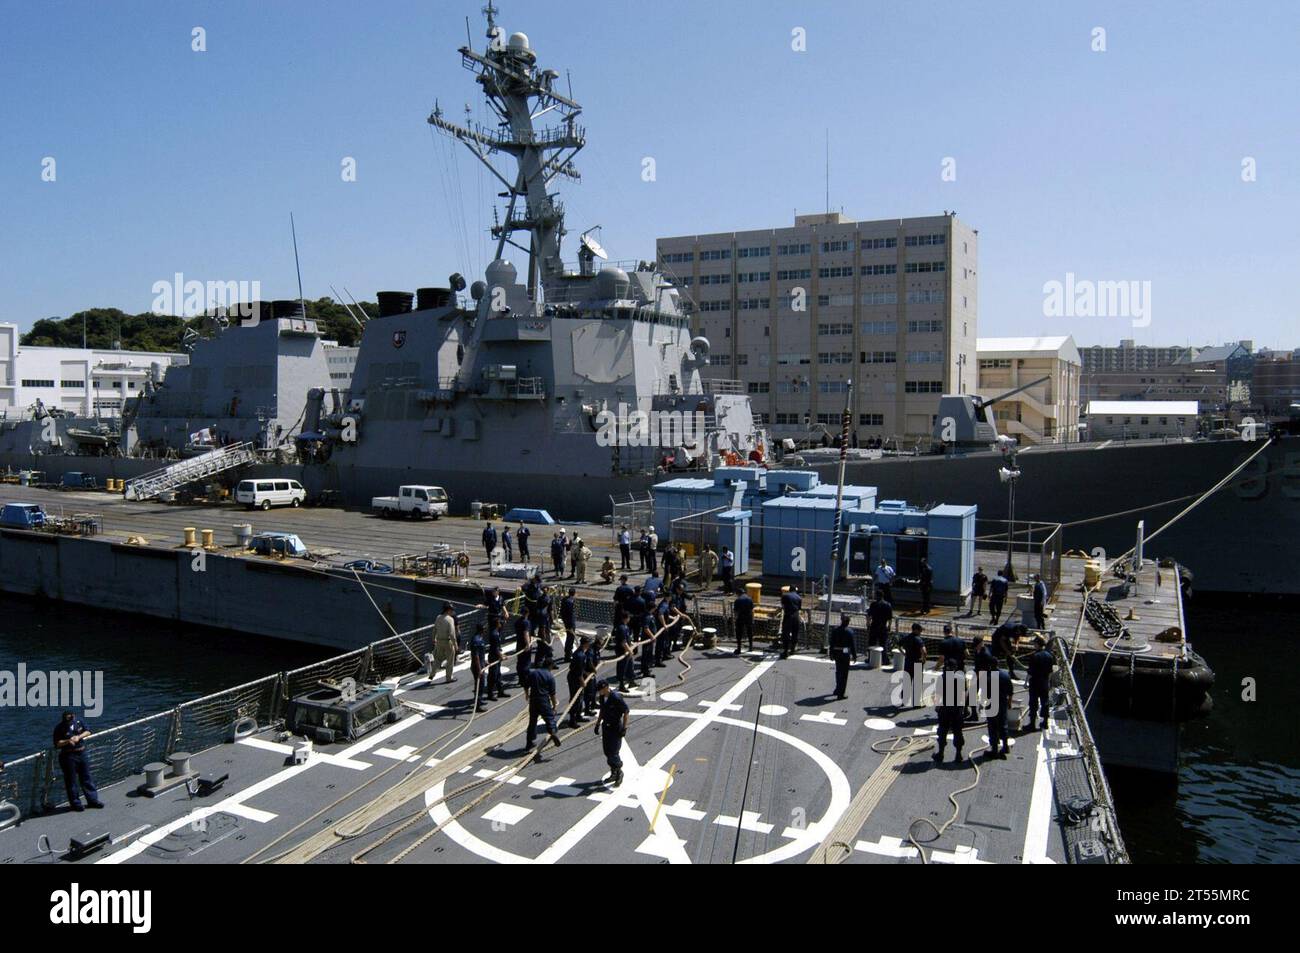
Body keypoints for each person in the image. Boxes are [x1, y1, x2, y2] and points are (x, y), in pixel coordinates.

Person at [53, 710, 103, 811]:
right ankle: (76, 803)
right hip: (68, 755)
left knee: (86, 778)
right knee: (71, 781)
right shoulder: (59, 728)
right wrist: (68, 741)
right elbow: (57, 743)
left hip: (81, 752)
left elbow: (88, 731)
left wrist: (78, 737)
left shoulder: (79, 722)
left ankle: (93, 800)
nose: (70, 719)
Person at [524, 656, 563, 759]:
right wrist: (554, 706)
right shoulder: (550, 677)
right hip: (544, 700)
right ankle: (552, 732)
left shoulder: (534, 673)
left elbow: (526, 684)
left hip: (533, 700)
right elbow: (552, 694)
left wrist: (527, 694)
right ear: (550, 666)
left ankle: (529, 743)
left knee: (532, 721)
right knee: (549, 719)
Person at [594, 679, 630, 787]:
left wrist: (624, 727)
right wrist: (597, 724)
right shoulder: (602, 697)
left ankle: (619, 772)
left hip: (615, 727)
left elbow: (626, 711)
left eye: (600, 690)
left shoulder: (616, 697)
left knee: (614, 753)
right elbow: (602, 710)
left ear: (606, 688)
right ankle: (613, 772)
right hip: (606, 727)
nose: (599, 692)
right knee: (607, 751)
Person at [933, 654, 966, 764]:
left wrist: (937, 707)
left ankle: (941, 753)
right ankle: (958, 754)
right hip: (957, 709)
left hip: (945, 708)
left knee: (942, 731)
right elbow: (963, 695)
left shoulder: (942, 678)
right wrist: (963, 708)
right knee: (958, 731)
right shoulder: (961, 678)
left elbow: (938, 695)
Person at [564, 636, 594, 728]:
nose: (590, 644)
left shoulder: (581, 652)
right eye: (588, 643)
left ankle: (578, 715)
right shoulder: (580, 655)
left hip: (576, 676)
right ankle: (572, 721)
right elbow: (578, 671)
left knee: (580, 698)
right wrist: (582, 681)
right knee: (575, 699)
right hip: (575, 679)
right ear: (585, 644)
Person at [1026, 636, 1054, 731]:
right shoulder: (1050, 656)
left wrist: (1026, 683)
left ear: (1038, 644)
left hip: (1035, 683)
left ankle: (1032, 724)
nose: (1034, 645)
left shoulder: (1034, 656)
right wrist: (1049, 683)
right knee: (1045, 702)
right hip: (1044, 682)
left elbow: (1030, 672)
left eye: (1034, 643)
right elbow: (1050, 672)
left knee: (1033, 703)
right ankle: (1045, 722)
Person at [985, 666, 1013, 759]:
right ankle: (1005, 746)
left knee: (993, 726)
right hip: (1003, 703)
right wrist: (1009, 703)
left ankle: (994, 750)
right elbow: (1011, 691)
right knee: (1003, 725)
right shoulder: (1005, 675)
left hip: (992, 704)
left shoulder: (989, 677)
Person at [828, 613, 857, 700]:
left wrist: (831, 653)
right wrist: (854, 656)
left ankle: (837, 688)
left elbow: (831, 643)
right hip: (845, 653)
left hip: (836, 652)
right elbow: (852, 645)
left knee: (838, 671)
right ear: (848, 622)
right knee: (844, 674)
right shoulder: (850, 632)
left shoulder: (835, 630)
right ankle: (841, 693)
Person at [899, 623, 927, 709]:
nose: (921, 632)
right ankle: (916, 703)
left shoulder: (906, 637)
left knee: (907, 681)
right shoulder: (918, 640)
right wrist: (923, 659)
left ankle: (904, 699)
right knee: (917, 683)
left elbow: (898, 645)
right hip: (917, 662)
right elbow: (924, 651)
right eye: (920, 630)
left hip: (908, 662)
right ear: (916, 630)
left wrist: (904, 654)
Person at [432, 602, 458, 684]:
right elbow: (452, 634)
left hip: (439, 641)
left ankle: (432, 674)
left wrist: (433, 638)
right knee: (450, 660)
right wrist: (455, 645)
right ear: (449, 610)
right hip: (447, 642)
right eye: (452, 610)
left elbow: (434, 629)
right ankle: (449, 678)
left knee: (438, 658)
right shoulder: (450, 619)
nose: (452, 611)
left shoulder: (438, 617)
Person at [611, 610, 636, 691]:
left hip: (627, 650)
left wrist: (631, 644)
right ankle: (621, 685)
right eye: (629, 618)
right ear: (626, 618)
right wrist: (629, 651)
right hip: (622, 651)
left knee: (630, 666)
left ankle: (631, 681)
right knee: (622, 668)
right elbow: (623, 642)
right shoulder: (622, 628)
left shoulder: (625, 627)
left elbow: (627, 639)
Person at [487, 618, 509, 700]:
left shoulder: (496, 633)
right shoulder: (494, 634)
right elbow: (495, 648)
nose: (501, 623)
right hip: (494, 657)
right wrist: (501, 656)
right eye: (499, 622)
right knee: (493, 676)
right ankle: (490, 694)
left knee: (498, 675)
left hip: (496, 655)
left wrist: (502, 655)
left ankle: (500, 691)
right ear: (496, 624)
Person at [866, 591, 893, 657]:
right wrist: (889, 626)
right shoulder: (888, 605)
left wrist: (868, 624)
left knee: (872, 643)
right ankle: (884, 659)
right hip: (883, 626)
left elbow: (869, 616)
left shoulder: (873, 604)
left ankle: (870, 658)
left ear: (876, 595)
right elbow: (890, 618)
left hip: (874, 625)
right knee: (883, 644)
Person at [469, 624, 489, 712]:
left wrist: (484, 661)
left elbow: (480, 654)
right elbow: (476, 656)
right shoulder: (477, 640)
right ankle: (478, 705)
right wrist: (479, 668)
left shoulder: (479, 638)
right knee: (480, 685)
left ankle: (477, 701)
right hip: (477, 666)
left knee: (479, 684)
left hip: (480, 664)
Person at [779, 587, 802, 659]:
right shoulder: (799, 597)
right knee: (795, 633)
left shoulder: (785, 596)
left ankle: (785, 652)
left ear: (789, 590)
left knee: (786, 633)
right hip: (796, 616)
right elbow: (799, 608)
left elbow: (783, 606)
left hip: (788, 616)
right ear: (796, 590)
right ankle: (792, 649)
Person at [515, 614, 534, 696]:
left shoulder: (517, 622)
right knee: (526, 663)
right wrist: (528, 644)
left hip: (518, 644)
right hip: (524, 645)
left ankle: (520, 679)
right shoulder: (526, 622)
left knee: (520, 662)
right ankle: (525, 681)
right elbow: (526, 633)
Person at [733, 587, 754, 655]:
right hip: (749, 617)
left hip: (740, 618)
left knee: (739, 634)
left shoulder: (737, 600)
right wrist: (752, 619)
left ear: (738, 593)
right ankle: (751, 647)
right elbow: (752, 610)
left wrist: (735, 619)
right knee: (749, 632)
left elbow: (736, 612)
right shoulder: (749, 598)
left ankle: (739, 649)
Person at [560, 587, 578, 661]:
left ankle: (568, 653)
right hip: (570, 622)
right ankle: (568, 655)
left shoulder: (565, 599)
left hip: (566, 621)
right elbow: (570, 614)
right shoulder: (570, 602)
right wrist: (570, 626)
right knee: (570, 638)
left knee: (569, 637)